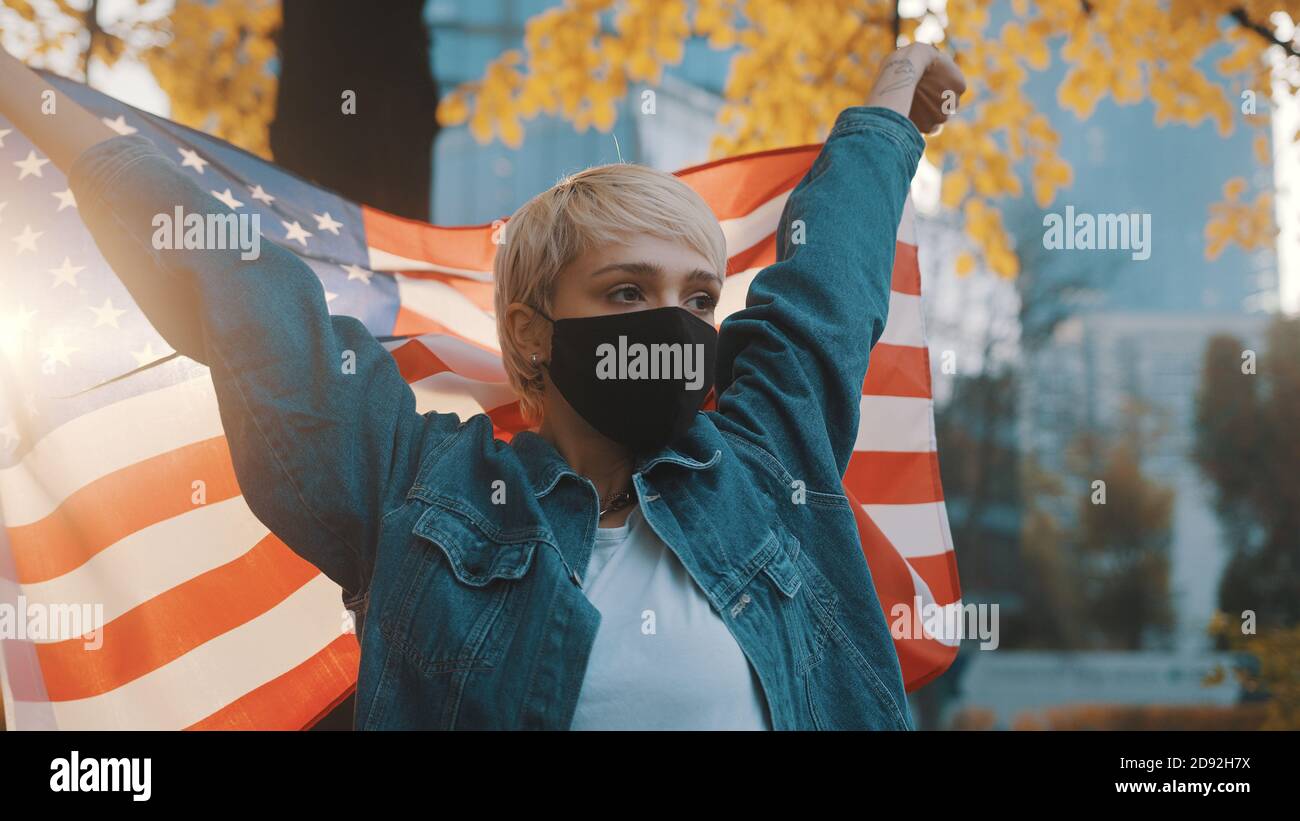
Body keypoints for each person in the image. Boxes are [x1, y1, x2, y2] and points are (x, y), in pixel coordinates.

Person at [0, 41, 964, 729]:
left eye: (699, 298)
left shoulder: (769, 463)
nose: (672, 324)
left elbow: (826, 287)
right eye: (627, 290)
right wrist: (23, 94)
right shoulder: (417, 496)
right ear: (528, 333)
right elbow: (238, 286)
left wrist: (890, 105)